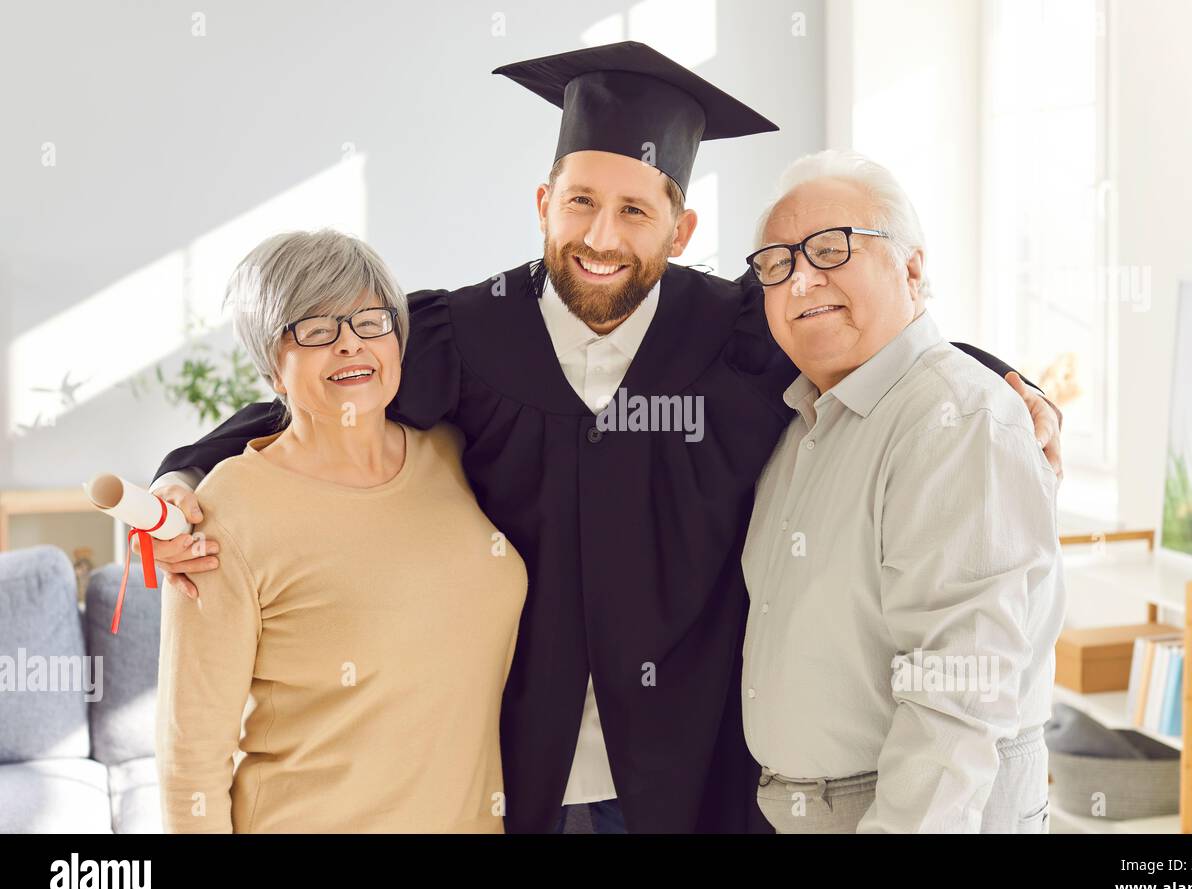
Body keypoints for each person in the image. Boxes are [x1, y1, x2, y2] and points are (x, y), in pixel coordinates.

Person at [143, 42, 1061, 833]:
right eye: (580, 202)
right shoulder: (472, 336)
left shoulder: (740, 334)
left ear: (682, 225)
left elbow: (860, 329)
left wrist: (994, 376)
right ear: (543, 201)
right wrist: (185, 471)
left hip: (697, 779)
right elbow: (330, 384)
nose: (600, 236)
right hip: (519, 779)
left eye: (634, 210)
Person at [153, 230, 526, 832]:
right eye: (315, 329)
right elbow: (190, 759)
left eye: (370, 321)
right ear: (272, 366)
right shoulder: (224, 512)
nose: (351, 344)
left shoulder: (454, 455)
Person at [740, 151, 1064, 833]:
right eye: (777, 263)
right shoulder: (804, 424)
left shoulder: (957, 422)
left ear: (912, 266)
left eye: (831, 250)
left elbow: (957, 692)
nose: (802, 278)